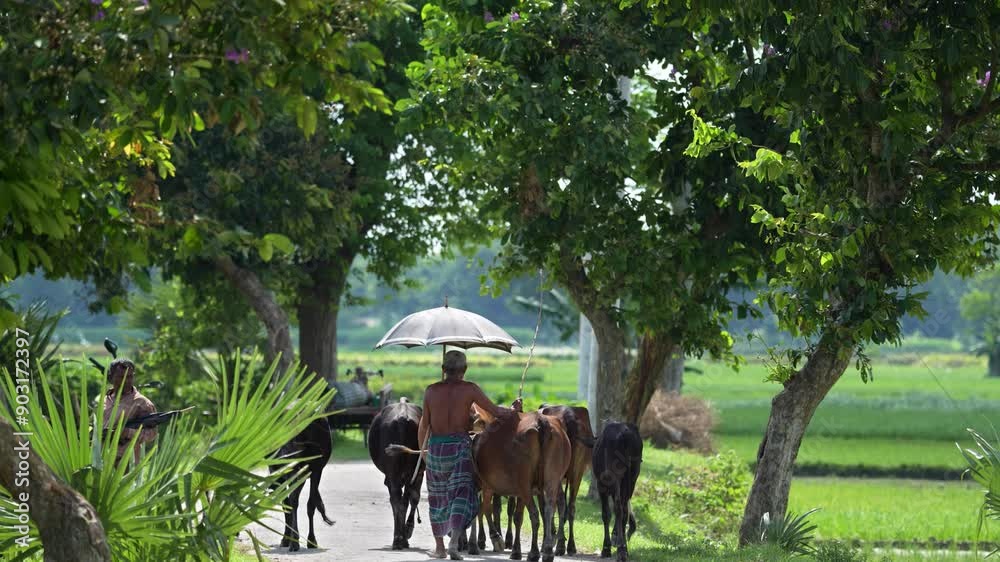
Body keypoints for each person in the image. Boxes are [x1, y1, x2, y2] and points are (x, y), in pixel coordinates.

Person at [418, 350, 522, 560]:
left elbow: (424, 425)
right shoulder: (470, 389)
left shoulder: (430, 391)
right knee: (463, 494)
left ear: (442, 370)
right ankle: (454, 542)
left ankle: (439, 547)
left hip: (436, 449)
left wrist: (423, 452)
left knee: (437, 498)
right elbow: (495, 412)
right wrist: (513, 409)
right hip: (459, 448)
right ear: (464, 370)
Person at [102, 358, 158, 466]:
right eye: (121, 377)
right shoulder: (104, 400)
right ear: (111, 378)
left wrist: (127, 432)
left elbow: (152, 433)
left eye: (130, 377)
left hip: (127, 462)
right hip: (102, 460)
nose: (126, 381)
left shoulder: (142, 403)